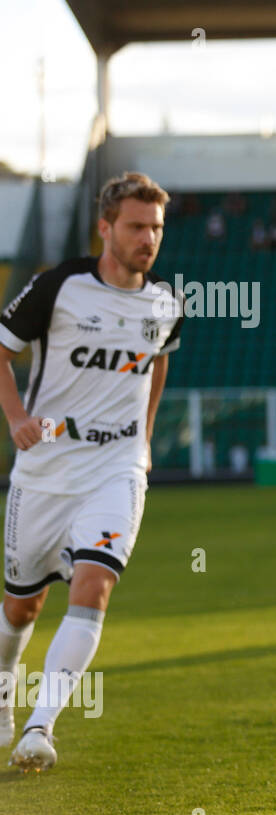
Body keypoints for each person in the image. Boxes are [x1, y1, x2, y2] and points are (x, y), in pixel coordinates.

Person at [0, 172, 183, 769]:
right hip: (45, 472)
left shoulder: (165, 305)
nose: (147, 238)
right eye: (135, 226)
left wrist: (146, 438)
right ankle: (5, 689)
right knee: (21, 607)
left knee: (94, 585)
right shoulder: (59, 287)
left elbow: (158, 364)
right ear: (105, 227)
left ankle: (40, 728)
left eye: (155, 227)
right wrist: (17, 418)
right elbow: (2, 350)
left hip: (116, 470)